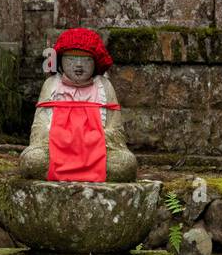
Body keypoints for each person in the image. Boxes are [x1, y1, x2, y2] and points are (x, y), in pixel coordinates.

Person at [19, 27, 138, 183]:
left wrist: (87, 140)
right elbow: (39, 127)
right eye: (71, 59)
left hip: (97, 152)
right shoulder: (51, 85)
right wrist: (63, 139)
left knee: (125, 165)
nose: (79, 65)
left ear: (95, 62)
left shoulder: (104, 86)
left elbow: (116, 130)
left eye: (87, 60)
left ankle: (77, 170)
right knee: (32, 161)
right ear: (60, 61)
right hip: (57, 150)